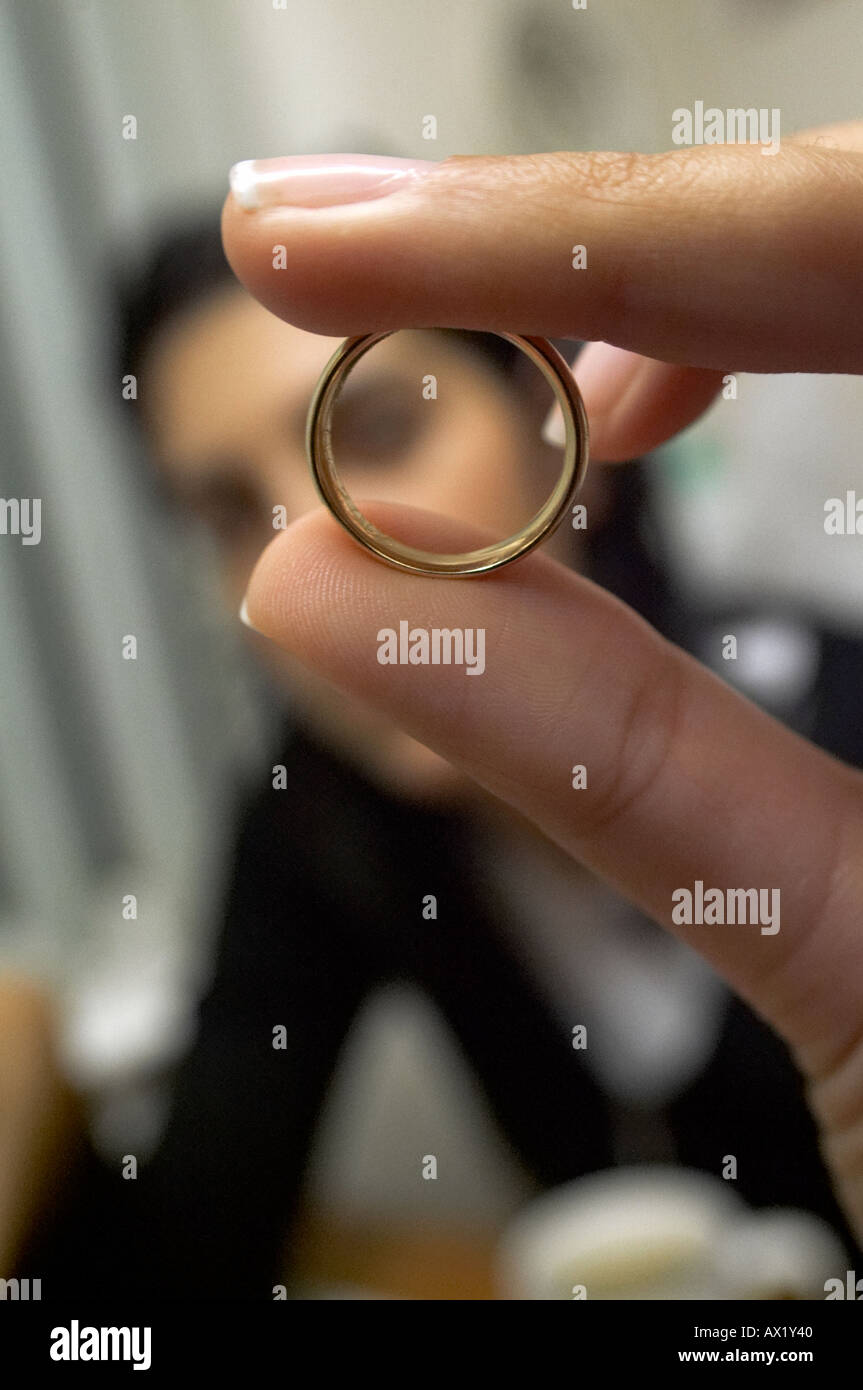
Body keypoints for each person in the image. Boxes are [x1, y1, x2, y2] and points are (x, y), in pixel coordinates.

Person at [15, 125, 863, 1297]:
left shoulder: (836, 722)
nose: (310, 542)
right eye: (225, 511)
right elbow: (183, 1255)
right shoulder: (310, 820)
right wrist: (33, 1061)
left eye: (379, 429)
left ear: (555, 427)